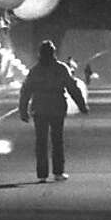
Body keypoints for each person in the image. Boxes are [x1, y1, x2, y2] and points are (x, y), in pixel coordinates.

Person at [18, 40, 89, 182]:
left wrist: (23, 110)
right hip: (57, 107)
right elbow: (72, 88)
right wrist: (81, 105)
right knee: (57, 140)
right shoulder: (61, 68)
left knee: (41, 142)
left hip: (39, 107)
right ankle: (58, 172)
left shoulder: (35, 70)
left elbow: (25, 91)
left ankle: (42, 174)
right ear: (53, 53)